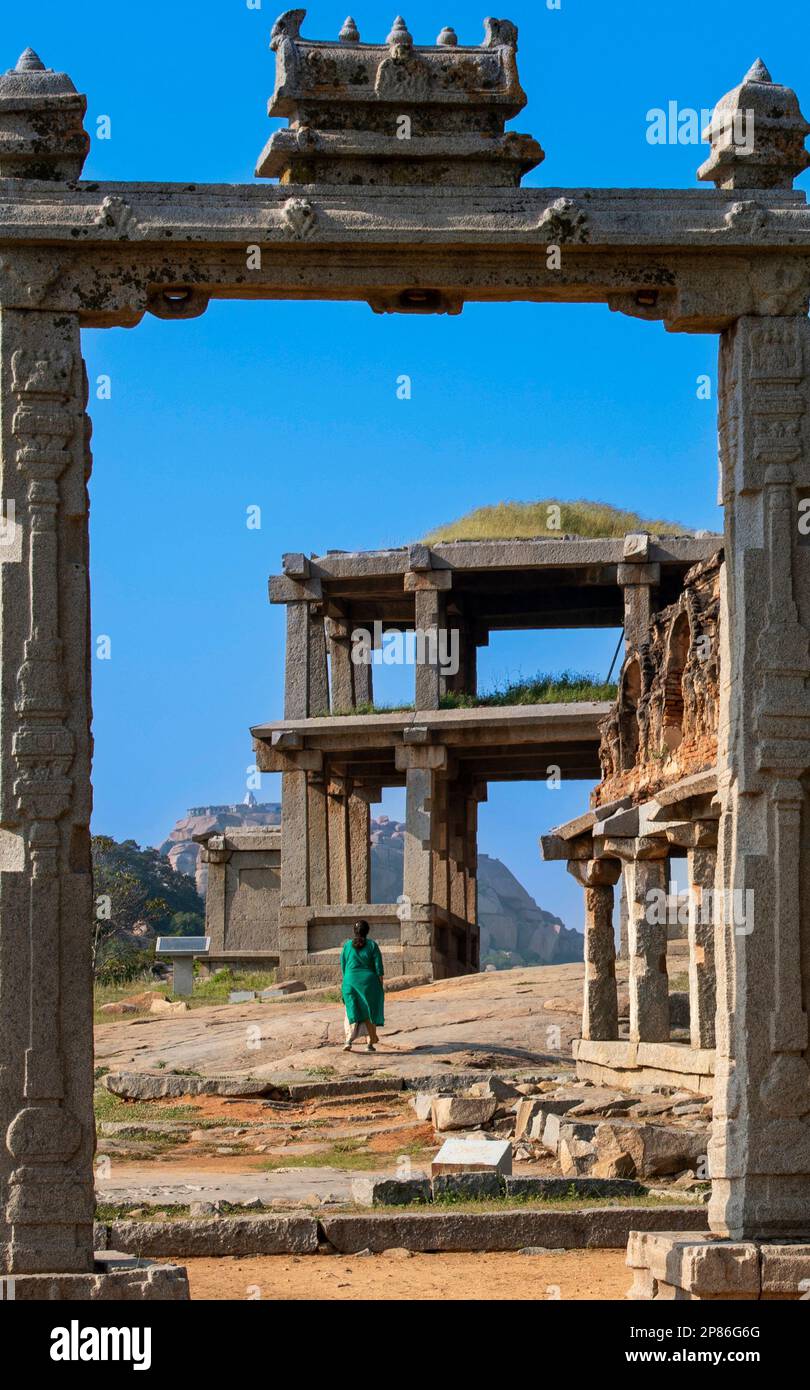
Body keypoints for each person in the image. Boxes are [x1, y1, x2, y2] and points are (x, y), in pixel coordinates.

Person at [340, 920, 384, 1052]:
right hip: (369, 983)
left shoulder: (347, 946)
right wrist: (380, 987)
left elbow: (343, 968)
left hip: (350, 981)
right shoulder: (372, 945)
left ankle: (348, 1040)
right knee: (369, 1011)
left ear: (354, 932)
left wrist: (346, 983)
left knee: (351, 1010)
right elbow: (379, 969)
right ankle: (370, 1044)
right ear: (367, 931)